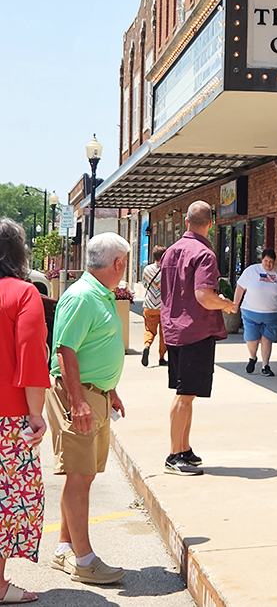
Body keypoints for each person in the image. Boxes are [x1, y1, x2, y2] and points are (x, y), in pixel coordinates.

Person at [45, 232, 130, 585]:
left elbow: (91, 348)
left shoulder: (100, 294)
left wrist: (109, 391)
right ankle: (84, 560)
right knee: (78, 476)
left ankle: (66, 548)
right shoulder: (83, 296)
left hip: (95, 395)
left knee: (85, 474)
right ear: (118, 263)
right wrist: (79, 400)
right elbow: (65, 350)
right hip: (77, 397)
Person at [161, 201, 237, 476]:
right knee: (185, 394)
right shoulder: (204, 254)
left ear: (186, 223)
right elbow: (204, 296)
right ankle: (173, 455)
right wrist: (225, 304)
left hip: (173, 329)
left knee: (187, 393)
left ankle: (183, 448)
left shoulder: (171, 252)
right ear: (210, 224)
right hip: (195, 331)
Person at [0, 219, 50, 604]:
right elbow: (31, 356)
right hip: (9, 415)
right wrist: (37, 414)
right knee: (10, 500)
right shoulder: (23, 294)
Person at [234, 248, 277, 377]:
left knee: (267, 339)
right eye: (265, 261)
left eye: (271, 261)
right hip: (251, 311)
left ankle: (265, 366)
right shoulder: (251, 271)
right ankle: (252, 357)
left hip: (273, 313)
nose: (268, 264)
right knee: (252, 338)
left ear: (275, 262)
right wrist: (235, 305)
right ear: (261, 260)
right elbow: (240, 288)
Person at [141, 245, 167, 367]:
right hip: (164, 306)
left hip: (149, 304)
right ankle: (161, 357)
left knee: (149, 330)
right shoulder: (167, 270)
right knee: (164, 333)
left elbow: (145, 284)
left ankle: (147, 346)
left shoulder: (147, 269)